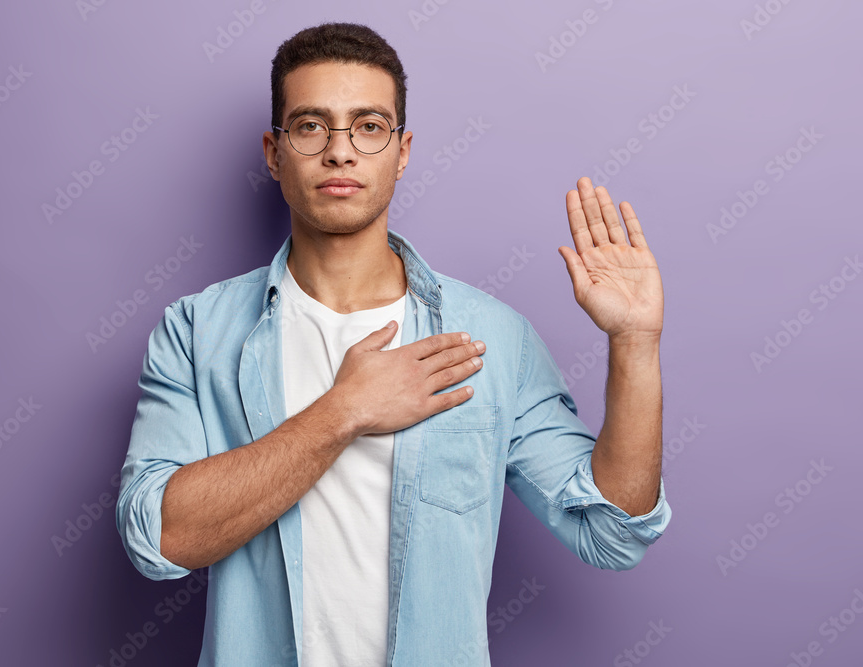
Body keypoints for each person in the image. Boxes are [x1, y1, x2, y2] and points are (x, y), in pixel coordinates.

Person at [116, 21, 671, 667]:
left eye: (369, 126)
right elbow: (157, 537)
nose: (340, 151)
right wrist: (344, 410)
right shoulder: (196, 330)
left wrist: (634, 342)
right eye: (311, 125)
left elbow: (613, 529)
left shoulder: (493, 337)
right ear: (274, 152)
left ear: (402, 151)